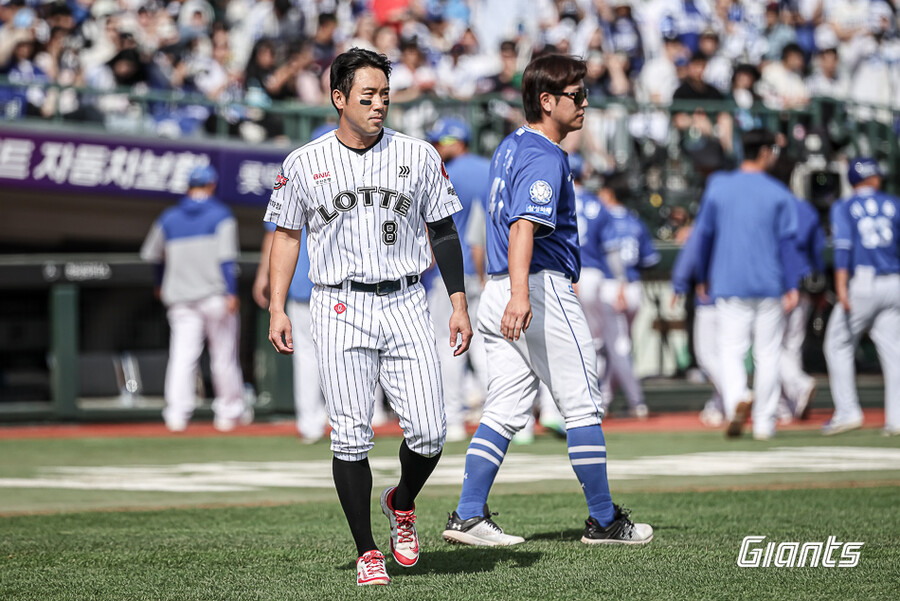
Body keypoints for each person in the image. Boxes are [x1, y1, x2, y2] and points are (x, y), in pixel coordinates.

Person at [264, 48, 473, 587]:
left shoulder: (419, 154)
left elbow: (444, 230)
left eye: (384, 94)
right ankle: (366, 550)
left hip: (405, 297)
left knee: (430, 431)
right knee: (351, 436)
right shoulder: (304, 162)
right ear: (339, 99)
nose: (379, 104)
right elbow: (287, 236)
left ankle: (401, 503)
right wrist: (277, 305)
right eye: (367, 96)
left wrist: (457, 300)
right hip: (338, 302)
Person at [442, 53, 653, 547]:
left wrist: (510, 291)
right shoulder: (543, 153)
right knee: (582, 404)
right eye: (576, 96)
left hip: (499, 287)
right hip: (534, 285)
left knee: (505, 407)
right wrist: (522, 294)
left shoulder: (510, 145)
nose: (584, 104)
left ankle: (469, 514)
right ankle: (604, 521)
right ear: (547, 100)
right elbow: (523, 227)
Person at [693, 129, 799, 440]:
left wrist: (702, 276)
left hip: (729, 280)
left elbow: (704, 237)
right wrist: (792, 284)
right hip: (769, 282)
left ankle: (737, 397)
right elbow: (788, 244)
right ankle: (765, 423)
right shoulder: (778, 191)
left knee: (731, 350)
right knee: (768, 354)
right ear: (765, 152)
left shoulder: (719, 186)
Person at [140, 165, 250, 433]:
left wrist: (159, 282)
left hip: (180, 296)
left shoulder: (169, 217)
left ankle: (177, 415)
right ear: (211, 185)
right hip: (214, 295)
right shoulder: (221, 214)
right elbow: (226, 259)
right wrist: (232, 291)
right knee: (223, 356)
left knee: (182, 356)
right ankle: (228, 413)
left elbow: (153, 256)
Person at [253, 123, 334, 443]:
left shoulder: (299, 174)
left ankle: (311, 423)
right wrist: (265, 277)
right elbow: (276, 235)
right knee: (339, 355)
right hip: (323, 285)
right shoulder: (344, 176)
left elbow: (274, 235)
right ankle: (339, 421)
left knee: (312, 357)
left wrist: (264, 276)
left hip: (308, 285)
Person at [424, 116, 491, 443]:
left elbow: (430, 227)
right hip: (492, 270)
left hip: (452, 271)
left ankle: (451, 418)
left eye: (440, 142)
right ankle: (500, 419)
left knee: (448, 343)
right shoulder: (490, 168)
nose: (437, 148)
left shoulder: (445, 172)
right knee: (484, 344)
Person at [823, 158, 900, 436]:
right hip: (894, 280)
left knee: (837, 343)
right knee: (893, 350)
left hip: (864, 281)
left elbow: (843, 246)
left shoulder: (845, 206)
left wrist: (841, 285)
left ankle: (848, 411)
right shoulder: (893, 203)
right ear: (875, 178)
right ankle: (897, 418)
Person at [585, 171, 660, 418]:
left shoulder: (599, 214)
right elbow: (648, 260)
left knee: (612, 348)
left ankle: (633, 401)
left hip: (610, 286)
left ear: (609, 192)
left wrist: (618, 284)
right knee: (618, 346)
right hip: (632, 287)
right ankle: (608, 398)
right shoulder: (635, 220)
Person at [780, 195, 826, 420]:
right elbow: (818, 250)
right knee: (792, 346)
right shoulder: (805, 208)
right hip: (803, 282)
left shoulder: (770, 202)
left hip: (776, 282)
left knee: (769, 347)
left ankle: (798, 385)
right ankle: (790, 403)